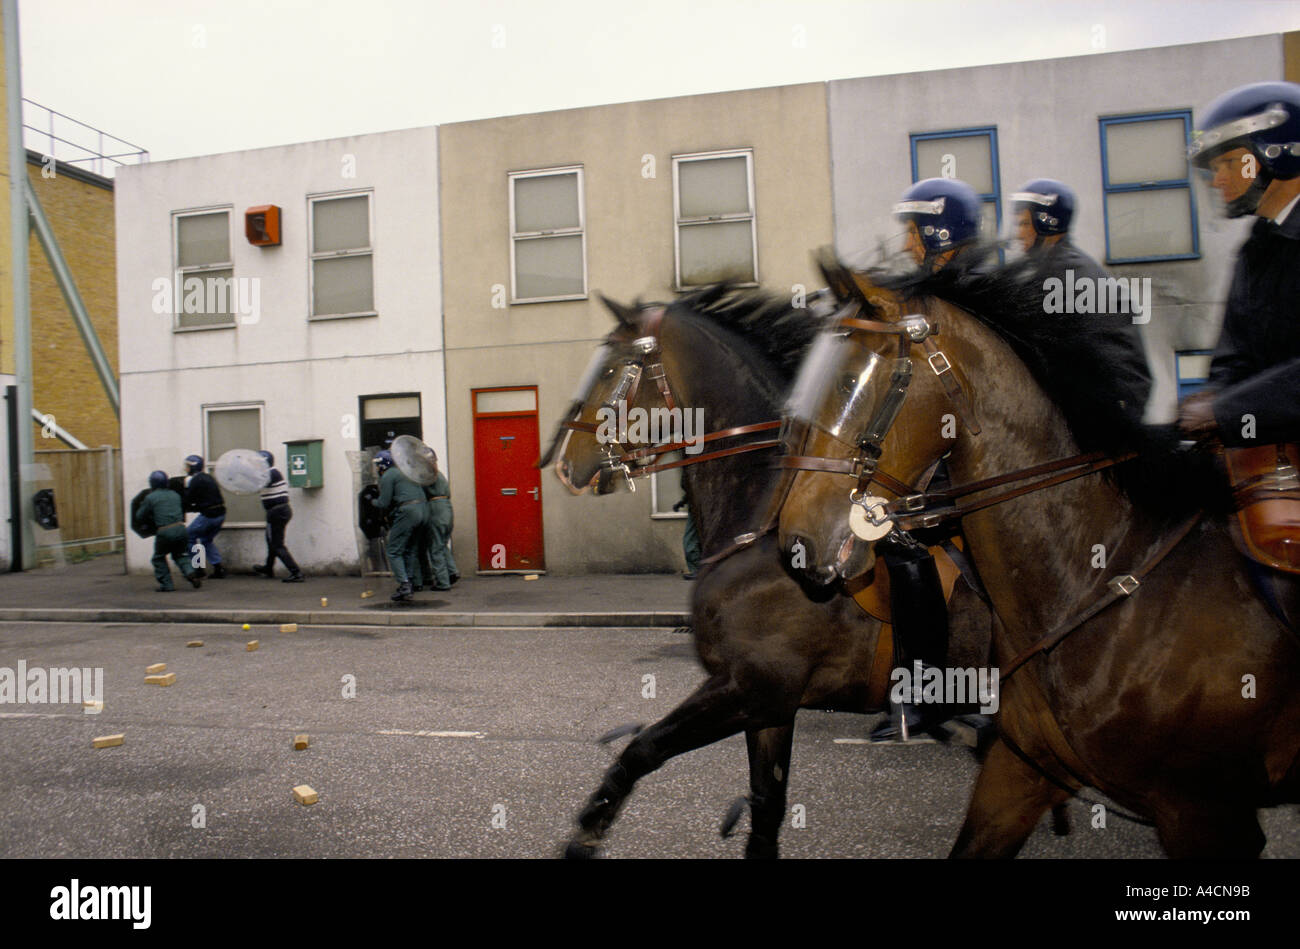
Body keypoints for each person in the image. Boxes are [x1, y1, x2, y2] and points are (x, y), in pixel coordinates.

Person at [1180, 81, 1300, 446]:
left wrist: (1226, 412)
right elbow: (1235, 359)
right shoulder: (1255, 249)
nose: (1217, 181)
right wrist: (1212, 396)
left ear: (1279, 153)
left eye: (1229, 163)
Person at [369, 449, 427, 601]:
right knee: (410, 549)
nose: (377, 469)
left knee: (393, 550)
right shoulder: (405, 471)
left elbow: (384, 502)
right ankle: (412, 580)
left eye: (377, 465)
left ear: (383, 464)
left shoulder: (389, 475)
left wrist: (371, 501)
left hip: (408, 511)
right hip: (423, 509)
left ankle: (404, 584)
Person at [133, 470, 202, 592]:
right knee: (180, 555)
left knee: (158, 558)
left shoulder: (150, 497)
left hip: (165, 531)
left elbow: (140, 516)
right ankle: (190, 572)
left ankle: (167, 585)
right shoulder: (175, 495)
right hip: (181, 528)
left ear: (152, 483)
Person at [251, 450, 304, 582]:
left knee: (277, 544)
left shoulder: (271, 472)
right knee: (271, 541)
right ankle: (268, 568)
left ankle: (296, 572)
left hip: (277, 512)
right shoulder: (270, 473)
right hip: (279, 511)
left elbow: (254, 484)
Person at [183, 454, 226, 579]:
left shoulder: (194, 480)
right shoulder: (208, 477)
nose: (186, 469)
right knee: (206, 540)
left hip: (209, 515)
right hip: (220, 514)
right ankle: (218, 568)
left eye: (187, 466)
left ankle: (198, 568)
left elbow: (188, 500)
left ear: (192, 467)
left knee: (189, 536)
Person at [417, 467, 457, 592]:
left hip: (436, 509)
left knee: (435, 547)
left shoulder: (427, 473)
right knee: (442, 544)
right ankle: (452, 571)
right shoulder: (438, 473)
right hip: (447, 507)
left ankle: (442, 582)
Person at [673, 494, 701, 580]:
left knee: (690, 542)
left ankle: (698, 570)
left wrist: (682, 501)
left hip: (699, 507)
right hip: (699, 506)